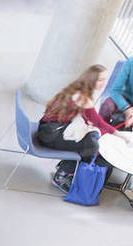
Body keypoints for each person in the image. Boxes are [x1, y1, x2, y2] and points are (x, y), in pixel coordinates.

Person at [35, 64, 117, 193]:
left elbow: (85, 118)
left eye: (105, 79)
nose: (104, 83)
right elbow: (97, 121)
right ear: (91, 80)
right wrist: (118, 134)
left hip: (49, 128)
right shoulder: (82, 97)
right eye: (100, 80)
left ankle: (66, 168)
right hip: (50, 134)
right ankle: (62, 176)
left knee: (92, 137)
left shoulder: (77, 88)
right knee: (91, 146)